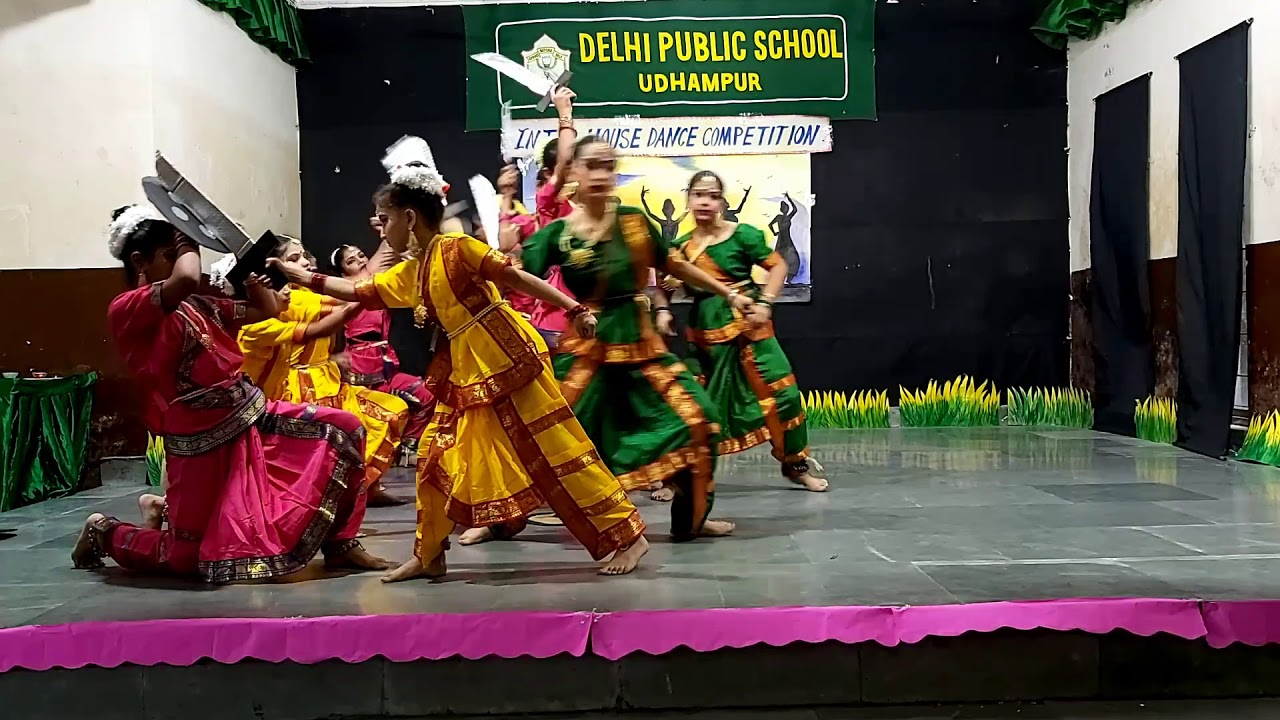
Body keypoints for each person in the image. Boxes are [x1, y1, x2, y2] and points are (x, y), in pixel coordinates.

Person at [268, 135, 650, 580]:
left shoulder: (458, 248)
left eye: (385, 219)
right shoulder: (413, 270)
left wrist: (575, 309)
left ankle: (629, 536)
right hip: (466, 371)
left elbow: (519, 279)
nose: (380, 228)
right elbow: (359, 291)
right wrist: (302, 277)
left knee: (558, 448)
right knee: (433, 456)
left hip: (508, 359)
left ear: (410, 218)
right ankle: (429, 554)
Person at [72, 205, 389, 580]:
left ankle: (341, 545)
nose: (182, 260)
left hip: (250, 416)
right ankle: (104, 531)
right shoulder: (128, 308)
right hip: (200, 440)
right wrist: (190, 231)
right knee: (187, 558)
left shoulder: (196, 305)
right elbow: (188, 277)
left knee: (346, 428)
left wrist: (254, 280)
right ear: (140, 262)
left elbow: (264, 311)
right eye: (171, 254)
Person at [519, 136, 755, 542]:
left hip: (642, 350)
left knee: (699, 421)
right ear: (573, 171)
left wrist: (730, 294)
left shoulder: (634, 222)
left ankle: (691, 521)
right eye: (591, 165)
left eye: (608, 165)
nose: (600, 174)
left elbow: (674, 264)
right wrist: (569, 307)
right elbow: (520, 275)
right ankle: (501, 521)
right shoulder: (558, 235)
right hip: (587, 353)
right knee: (545, 436)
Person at [668, 172, 826, 492]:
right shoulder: (680, 247)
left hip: (751, 327)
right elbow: (662, 283)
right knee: (695, 406)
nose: (705, 202)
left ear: (722, 202)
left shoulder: (743, 236)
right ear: (689, 199)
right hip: (707, 339)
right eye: (699, 195)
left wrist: (766, 302)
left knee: (784, 395)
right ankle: (677, 477)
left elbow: (778, 266)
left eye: (713, 196)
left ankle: (795, 465)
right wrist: (662, 307)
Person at [238, 237, 410, 506]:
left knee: (388, 412)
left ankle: (362, 487)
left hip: (327, 378)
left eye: (304, 255)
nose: (304, 262)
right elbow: (344, 302)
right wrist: (390, 245)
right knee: (335, 445)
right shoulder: (291, 298)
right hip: (302, 387)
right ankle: (334, 498)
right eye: (293, 259)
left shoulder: (300, 294)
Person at [332, 242, 436, 466]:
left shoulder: (377, 284)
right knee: (381, 413)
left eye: (361, 255)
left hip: (386, 362)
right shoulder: (343, 293)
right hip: (360, 367)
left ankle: (407, 450)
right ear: (342, 274)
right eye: (351, 261)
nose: (360, 261)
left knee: (426, 394)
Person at [768, 195, 801, 284]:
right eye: (783, 207)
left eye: (786, 207)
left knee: (792, 257)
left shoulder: (788, 217)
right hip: (781, 240)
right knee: (778, 258)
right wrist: (775, 232)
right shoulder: (779, 217)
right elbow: (770, 225)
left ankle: (789, 278)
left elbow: (795, 209)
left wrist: (788, 197)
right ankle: (776, 278)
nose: (785, 209)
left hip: (786, 239)